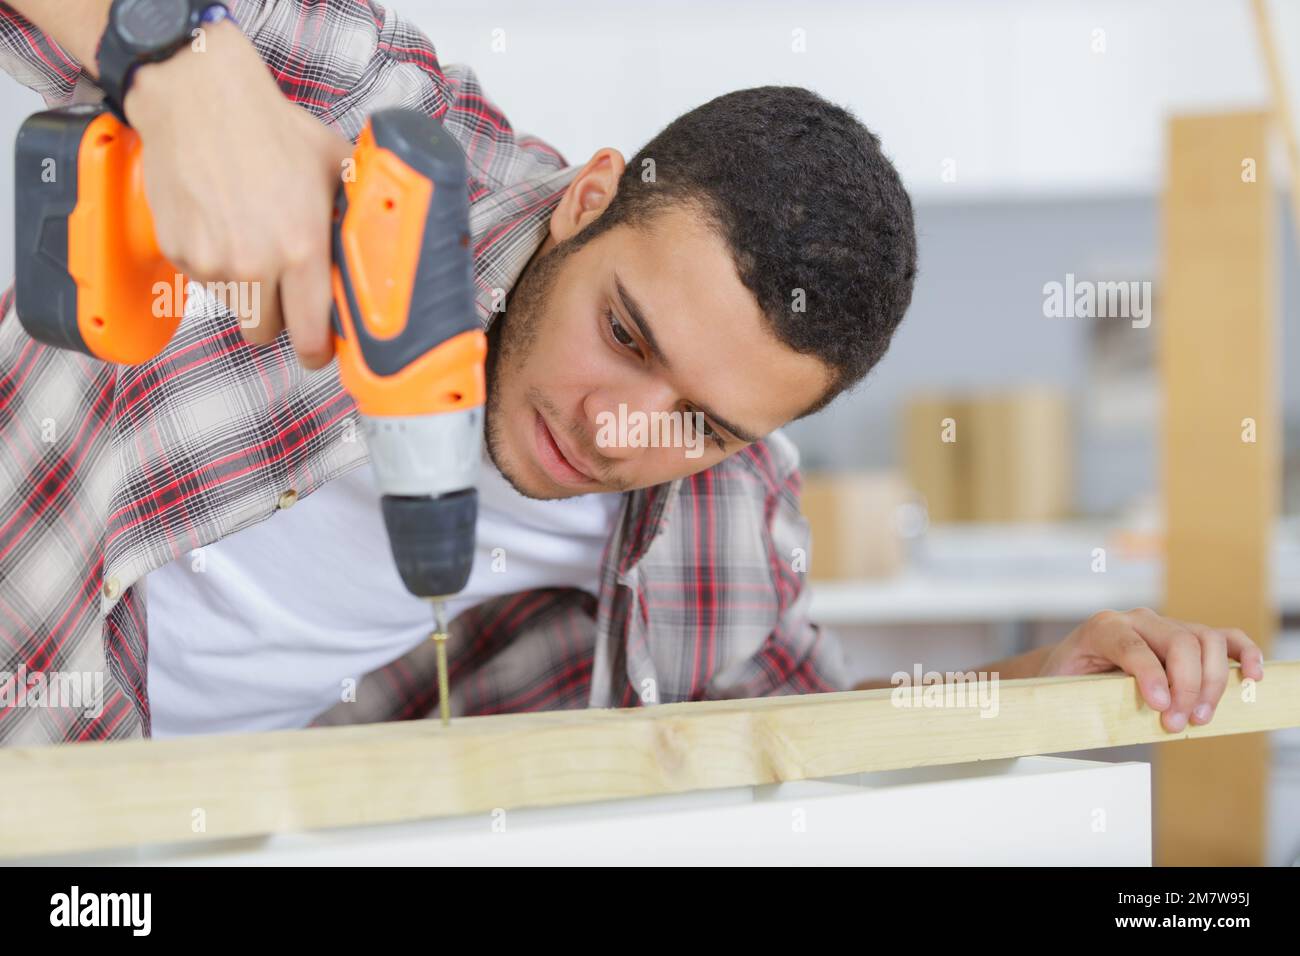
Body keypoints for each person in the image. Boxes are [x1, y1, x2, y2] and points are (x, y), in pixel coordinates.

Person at [0, 0, 1263, 745]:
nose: (616, 431)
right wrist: (179, 56)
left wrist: (1038, 685)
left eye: (703, 423)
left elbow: (790, 734)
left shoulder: (722, 511)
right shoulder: (365, 110)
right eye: (627, 334)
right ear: (588, 199)